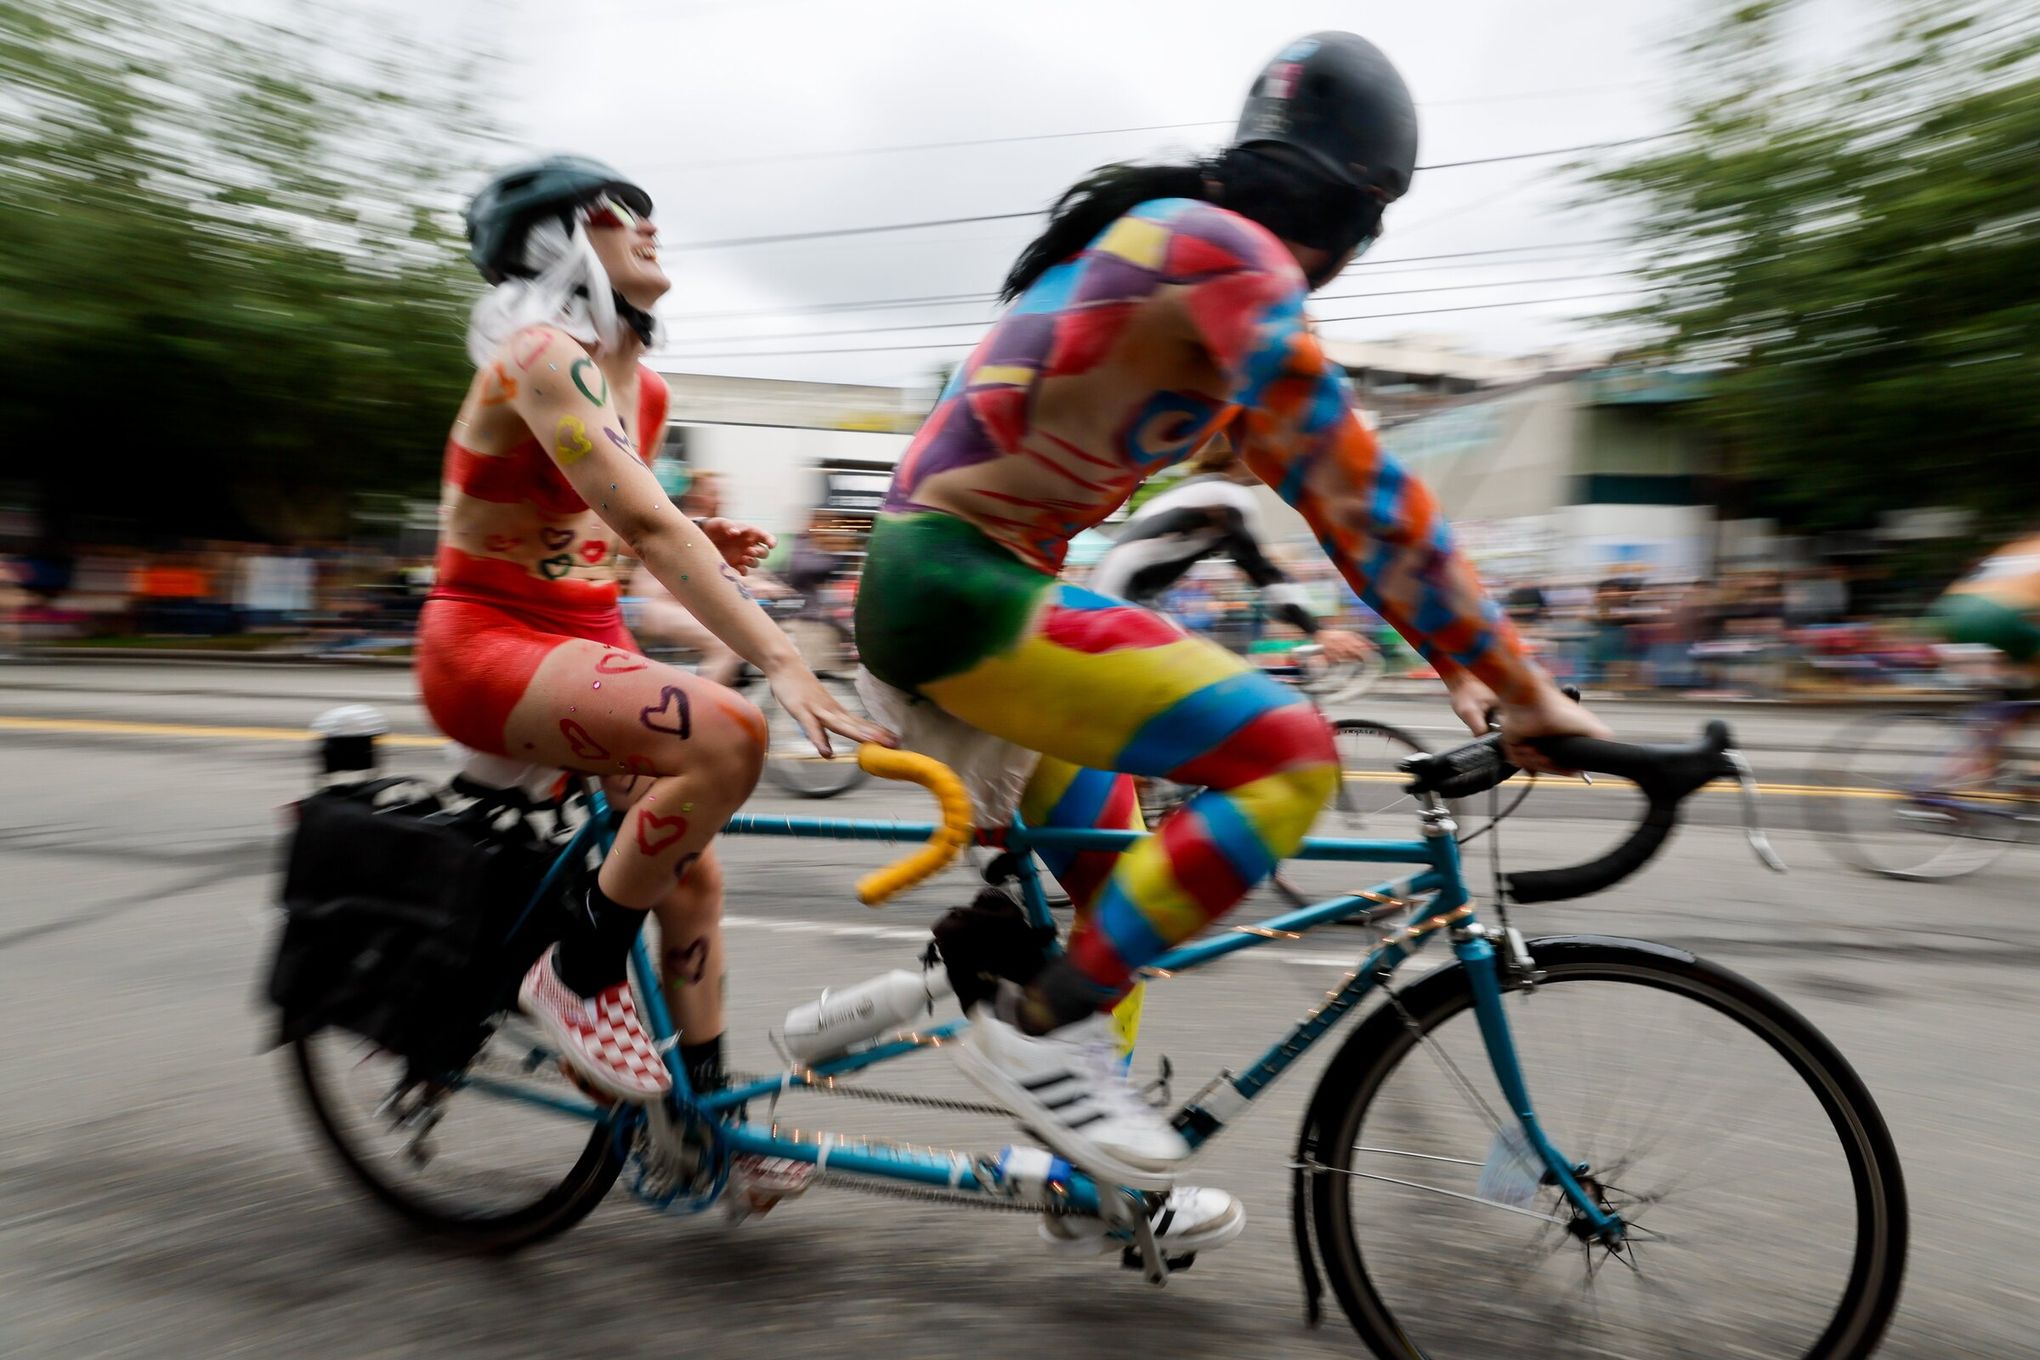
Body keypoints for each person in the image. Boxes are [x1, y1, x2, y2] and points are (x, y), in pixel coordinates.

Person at [855, 31, 1608, 1249]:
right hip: (954, 586)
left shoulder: (1200, 266)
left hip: (984, 594)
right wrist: (1530, 684)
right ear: (1364, 214)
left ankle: (1082, 1164)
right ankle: (1028, 1030)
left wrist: (1464, 670)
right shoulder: (1224, 257)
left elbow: (1339, 513)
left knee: (1125, 903)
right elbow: (1370, 488)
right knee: (1288, 753)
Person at [417, 155, 887, 1119]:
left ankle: (707, 1124)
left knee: (691, 877)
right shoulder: (540, 356)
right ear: (555, 243)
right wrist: (782, 658)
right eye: (615, 213)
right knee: (732, 735)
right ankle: (577, 972)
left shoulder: (648, 390)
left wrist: (692, 530)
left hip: (582, 640)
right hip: (487, 645)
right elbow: (645, 528)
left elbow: (616, 520)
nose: (647, 224)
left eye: (648, 211)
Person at [1088, 439, 1373, 665]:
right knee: (1207, 681)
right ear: (1243, 456)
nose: (1280, 468)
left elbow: (1251, 566)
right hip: (1122, 603)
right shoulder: (1226, 497)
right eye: (1272, 458)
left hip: (1118, 598)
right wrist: (1317, 630)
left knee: (1207, 673)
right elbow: (1261, 570)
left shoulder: (1202, 489)